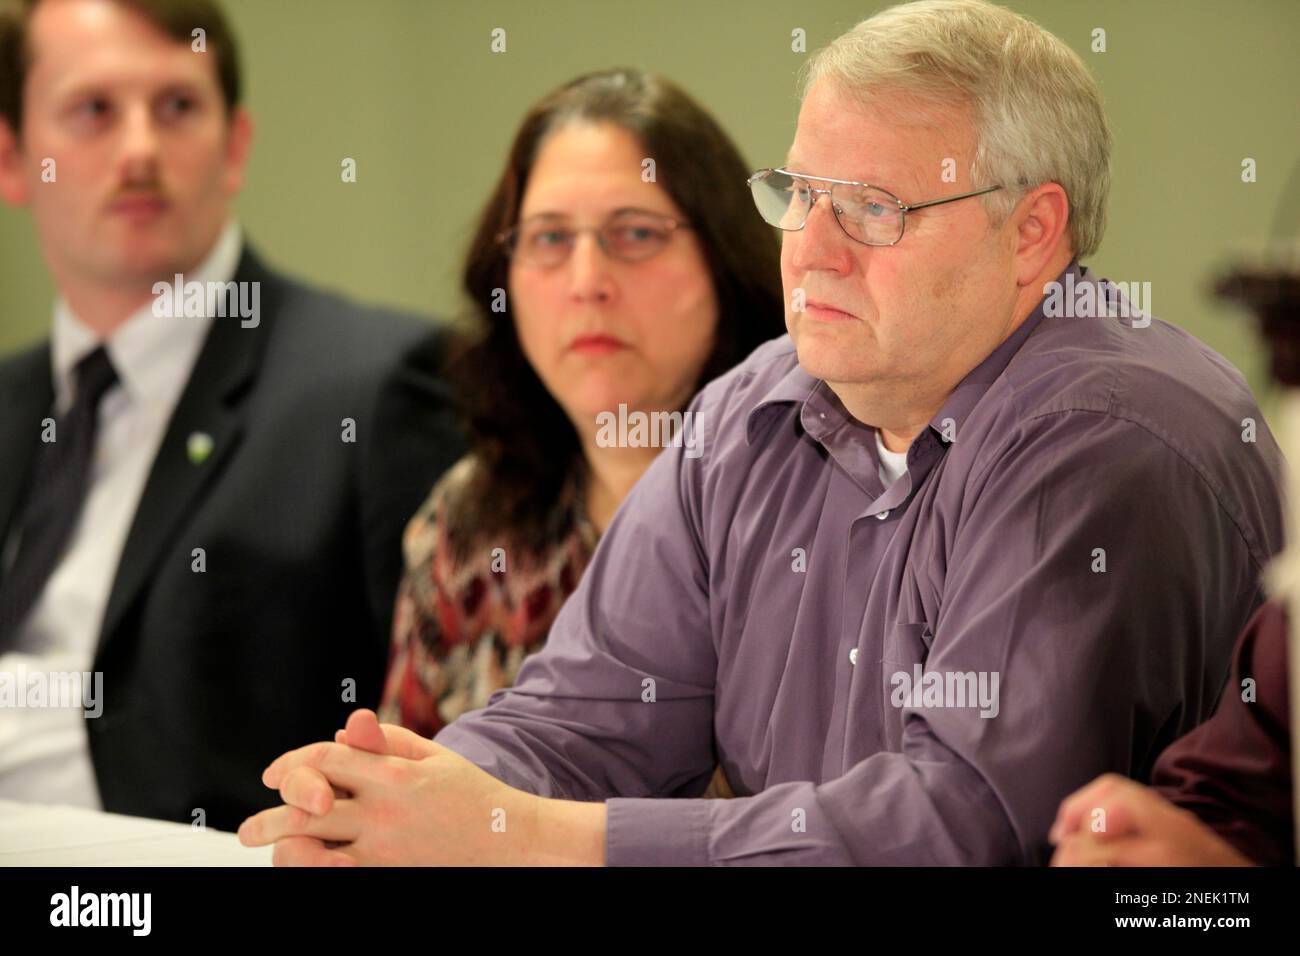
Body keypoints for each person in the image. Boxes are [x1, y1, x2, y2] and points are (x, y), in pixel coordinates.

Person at [239, 0, 1285, 866]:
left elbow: (967, 823)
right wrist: (388, 794)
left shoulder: (1104, 433)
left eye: (871, 206)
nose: (810, 248)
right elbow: (586, 713)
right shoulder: (754, 405)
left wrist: (532, 836)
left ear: (1032, 232)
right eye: (798, 193)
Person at [0, 0, 460, 831]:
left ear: (234, 145)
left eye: (176, 107)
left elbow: (441, 742)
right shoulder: (9, 405)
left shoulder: (374, 384)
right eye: (94, 110)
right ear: (12, 158)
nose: (139, 150)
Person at [377, 69, 784, 753]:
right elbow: (406, 798)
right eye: (550, 240)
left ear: (723, 264)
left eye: (635, 235)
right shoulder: (468, 520)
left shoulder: (805, 504)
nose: (587, 282)